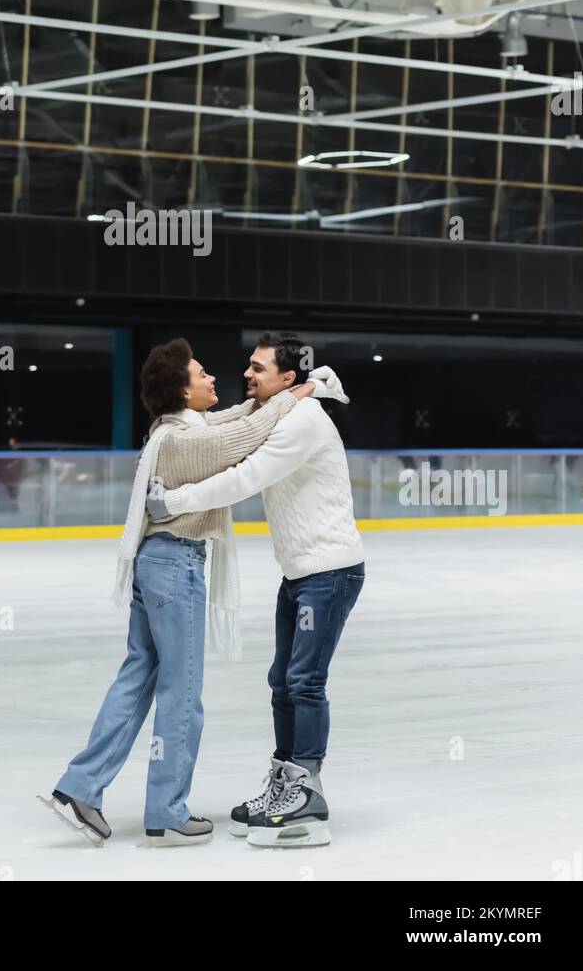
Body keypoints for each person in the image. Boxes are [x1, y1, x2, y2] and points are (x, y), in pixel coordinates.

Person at [40, 339, 338, 848]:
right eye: (203, 375)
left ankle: (80, 787)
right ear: (183, 389)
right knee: (181, 690)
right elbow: (247, 431)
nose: (216, 381)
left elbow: (236, 417)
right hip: (175, 566)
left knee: (137, 678)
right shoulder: (187, 442)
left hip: (153, 564)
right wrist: (307, 388)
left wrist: (284, 394)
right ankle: (168, 813)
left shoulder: (174, 430)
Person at [159, 332, 364, 850]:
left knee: (304, 681)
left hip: (329, 570)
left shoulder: (302, 421)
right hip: (300, 572)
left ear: (287, 378)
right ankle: (284, 781)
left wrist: (176, 500)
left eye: (258, 368)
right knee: (282, 680)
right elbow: (226, 429)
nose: (246, 375)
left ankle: (307, 792)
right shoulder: (278, 410)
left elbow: (244, 475)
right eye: (247, 366)